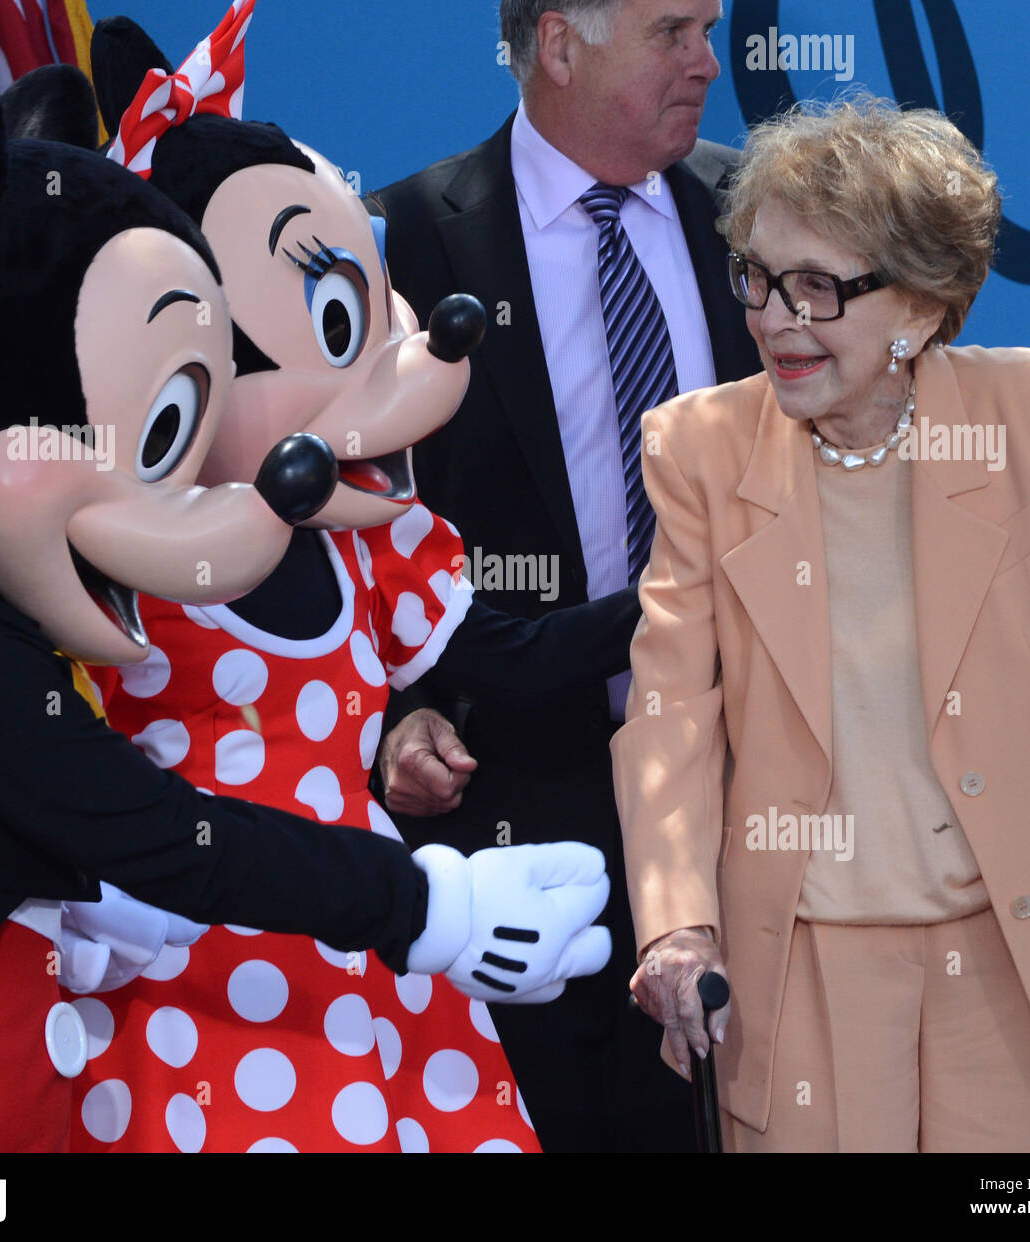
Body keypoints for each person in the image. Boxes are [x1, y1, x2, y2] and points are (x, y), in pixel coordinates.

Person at [612, 93, 1030, 1152]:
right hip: (804, 968)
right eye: (757, 278)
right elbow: (671, 707)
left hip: (1009, 956)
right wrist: (677, 921)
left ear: (917, 305)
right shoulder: (703, 450)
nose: (775, 318)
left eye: (817, 288)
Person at [367, 0, 759, 1151]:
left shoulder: (766, 222)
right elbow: (355, 531)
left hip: (748, 801)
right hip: (509, 815)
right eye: (674, 30)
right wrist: (400, 712)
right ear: (557, 45)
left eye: (711, 26)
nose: (709, 59)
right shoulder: (397, 242)